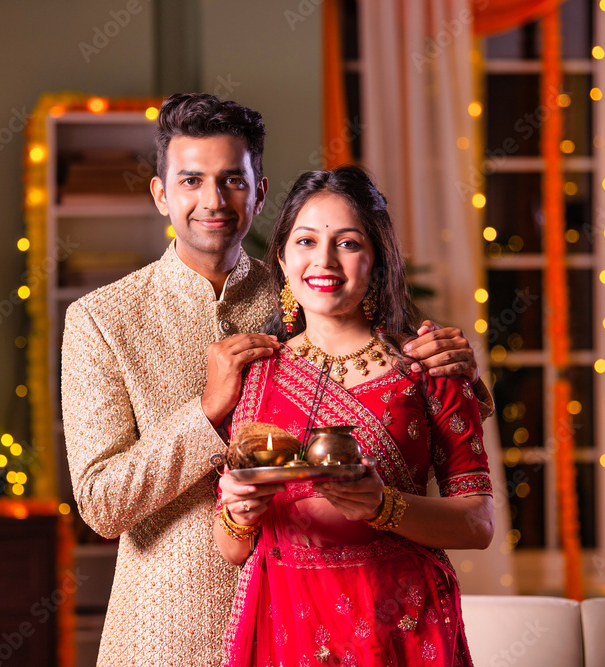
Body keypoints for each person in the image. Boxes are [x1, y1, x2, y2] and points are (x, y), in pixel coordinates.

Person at [61, 93, 487, 667]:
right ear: (161, 194)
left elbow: (393, 390)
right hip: (168, 626)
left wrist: (458, 370)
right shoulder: (103, 319)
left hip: (318, 621)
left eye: (232, 180)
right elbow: (101, 504)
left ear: (259, 192)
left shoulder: (304, 282)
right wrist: (206, 413)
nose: (212, 200)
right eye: (190, 180)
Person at [215, 166, 493, 667]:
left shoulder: (430, 366)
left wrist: (383, 506)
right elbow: (233, 549)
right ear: (281, 256)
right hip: (288, 625)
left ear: (377, 260)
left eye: (347, 243)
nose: (323, 260)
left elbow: (478, 523)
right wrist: (238, 512)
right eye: (305, 241)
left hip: (402, 624)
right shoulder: (254, 376)